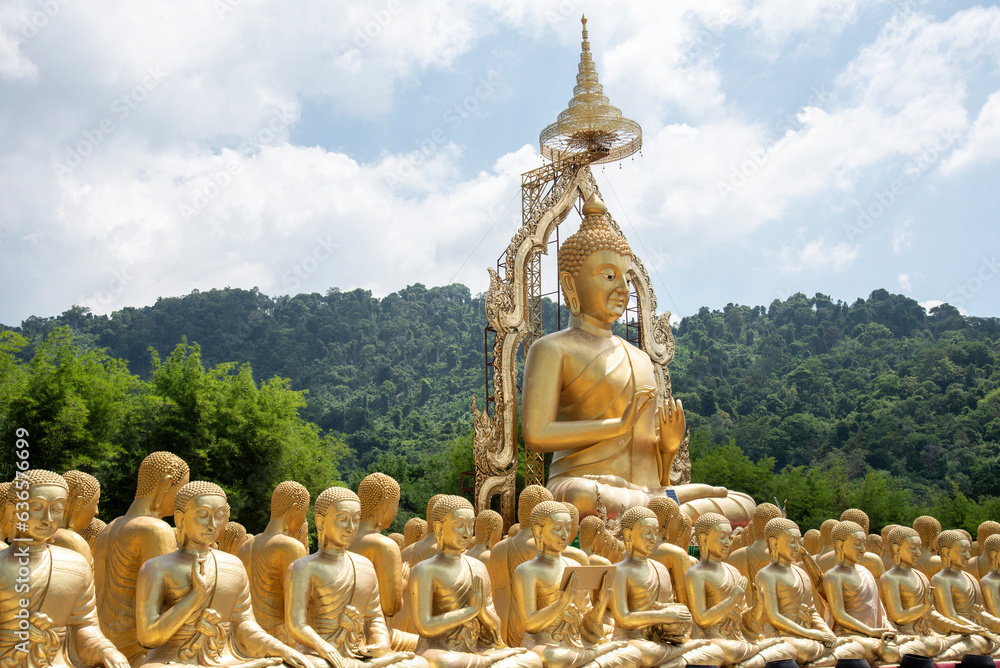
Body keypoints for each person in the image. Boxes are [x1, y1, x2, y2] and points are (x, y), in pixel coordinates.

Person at [520, 194, 753, 525]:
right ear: (570, 283)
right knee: (583, 498)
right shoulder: (553, 349)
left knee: (740, 504)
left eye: (627, 278)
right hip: (588, 486)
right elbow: (537, 435)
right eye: (609, 275)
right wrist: (618, 426)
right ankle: (659, 509)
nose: (623, 288)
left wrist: (667, 449)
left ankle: (659, 507)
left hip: (647, 492)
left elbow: (652, 463)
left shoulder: (642, 359)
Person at [135, 481, 309, 668]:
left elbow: (245, 626)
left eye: (218, 516)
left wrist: (281, 648)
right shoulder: (156, 568)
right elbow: (148, 637)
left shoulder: (233, 565)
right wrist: (195, 596)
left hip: (223, 658)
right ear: (179, 519)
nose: (212, 524)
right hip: (173, 660)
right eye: (203, 515)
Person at [284, 486, 426, 668]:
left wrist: (381, 644)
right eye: (342, 518)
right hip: (318, 654)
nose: (350, 527)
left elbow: (374, 617)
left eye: (356, 520)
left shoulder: (364, 565)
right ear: (320, 522)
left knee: (419, 663)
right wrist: (324, 647)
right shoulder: (302, 567)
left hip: (358, 652)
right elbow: (296, 624)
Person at [0, 470, 128, 668]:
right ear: (12, 511)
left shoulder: (75, 566)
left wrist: (107, 651)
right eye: (36, 507)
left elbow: (84, 627)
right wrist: (21, 634)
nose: (47, 518)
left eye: (57, 508)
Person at [409, 496, 539, 668]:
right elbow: (425, 627)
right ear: (439, 528)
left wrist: (483, 611)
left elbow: (494, 625)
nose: (467, 532)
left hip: (477, 647)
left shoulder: (477, 567)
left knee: (531, 659)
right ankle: (486, 662)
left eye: (471, 525)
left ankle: (486, 660)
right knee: (440, 662)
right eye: (459, 524)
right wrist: (470, 611)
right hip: (443, 650)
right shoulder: (424, 570)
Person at [512, 500, 640, 668]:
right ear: (538, 531)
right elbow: (530, 624)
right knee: (553, 659)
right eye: (557, 528)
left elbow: (586, 621)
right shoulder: (527, 571)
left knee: (633, 653)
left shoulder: (575, 566)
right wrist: (563, 603)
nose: (565, 535)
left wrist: (602, 602)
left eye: (568, 527)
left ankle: (589, 657)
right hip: (544, 643)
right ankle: (593, 657)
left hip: (576, 641)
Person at [93, 451, 190, 665]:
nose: (183, 500)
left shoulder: (108, 529)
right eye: (181, 490)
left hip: (103, 646)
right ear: (166, 484)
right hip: (138, 651)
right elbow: (169, 598)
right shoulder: (155, 530)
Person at [611, 507, 725, 667]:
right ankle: (676, 659)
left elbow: (669, 605)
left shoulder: (660, 568)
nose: (653, 538)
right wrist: (664, 616)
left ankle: (675, 658)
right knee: (642, 653)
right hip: (633, 640)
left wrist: (678, 619)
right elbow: (623, 619)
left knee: (715, 652)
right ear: (629, 535)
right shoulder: (619, 570)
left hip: (662, 640)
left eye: (656, 532)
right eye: (647, 531)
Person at [685, 512, 796, 668]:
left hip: (739, 640)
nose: (727, 543)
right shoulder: (696, 573)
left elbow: (744, 619)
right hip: (715, 640)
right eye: (722, 537)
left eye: (730, 538)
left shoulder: (733, 571)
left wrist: (759, 603)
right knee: (725, 651)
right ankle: (753, 657)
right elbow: (702, 619)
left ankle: (751, 657)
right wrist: (732, 600)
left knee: (786, 648)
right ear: (703, 539)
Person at [754, 518, 864, 667]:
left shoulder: (801, 573)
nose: (798, 547)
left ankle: (818, 661)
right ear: (774, 543)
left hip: (806, 638)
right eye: (792, 541)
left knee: (855, 648)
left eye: (799, 541)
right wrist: (812, 634)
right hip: (781, 637)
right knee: (797, 650)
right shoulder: (766, 574)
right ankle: (819, 660)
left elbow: (811, 610)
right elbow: (774, 617)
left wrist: (828, 634)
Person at [879, 525, 977, 661]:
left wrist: (961, 627)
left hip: (927, 635)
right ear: (896, 549)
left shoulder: (921, 576)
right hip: (905, 633)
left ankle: (952, 643)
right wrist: (923, 608)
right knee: (924, 646)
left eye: (919, 547)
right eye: (913, 548)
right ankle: (951, 646)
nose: (919, 553)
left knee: (967, 641)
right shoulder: (890, 577)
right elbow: (898, 617)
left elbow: (931, 613)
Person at [240, 481, 310, 644]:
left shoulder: (245, 546)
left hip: (249, 639)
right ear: (294, 509)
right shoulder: (291, 547)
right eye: (305, 512)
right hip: (281, 639)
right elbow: (297, 610)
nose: (303, 519)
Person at [821, 521, 899, 665]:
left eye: (864, 543)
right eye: (858, 543)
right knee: (889, 652)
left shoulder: (866, 572)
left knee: (909, 646)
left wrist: (888, 627)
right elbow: (840, 615)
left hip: (874, 633)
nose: (863, 549)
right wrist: (871, 631)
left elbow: (879, 609)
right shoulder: (834, 576)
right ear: (840, 545)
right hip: (849, 634)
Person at [930, 529, 998, 655]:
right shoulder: (941, 579)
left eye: (969, 550)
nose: (968, 555)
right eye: (963, 550)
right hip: (957, 632)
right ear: (946, 552)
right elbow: (950, 615)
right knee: (974, 645)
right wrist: (976, 629)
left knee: (989, 643)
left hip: (978, 632)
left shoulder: (970, 577)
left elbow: (979, 612)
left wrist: (984, 627)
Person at [50, 470, 101, 567]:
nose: (96, 512)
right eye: (96, 503)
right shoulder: (73, 541)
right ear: (78, 504)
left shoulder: (44, 535)